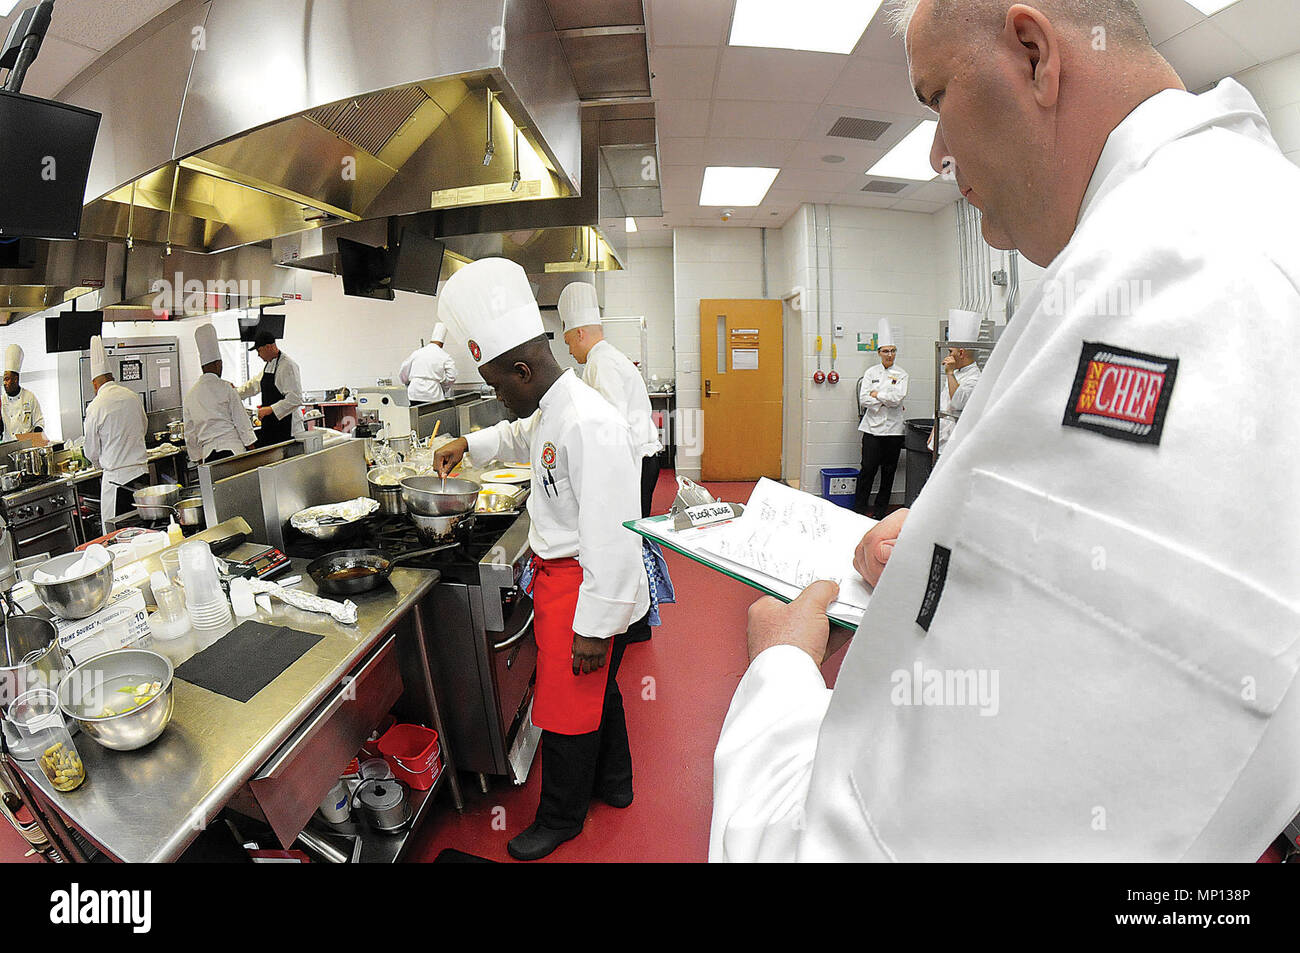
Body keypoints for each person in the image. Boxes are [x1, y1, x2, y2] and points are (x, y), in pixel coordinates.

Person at [710, 0, 1300, 862]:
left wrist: (780, 673)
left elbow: (875, 850)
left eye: (936, 95)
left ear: (1032, 54)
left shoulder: (1186, 276)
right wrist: (950, 545)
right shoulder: (1207, 220)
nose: (937, 151)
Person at [433, 258, 649, 862]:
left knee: (565, 707)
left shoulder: (590, 422)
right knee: (597, 692)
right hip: (563, 581)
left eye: (500, 385)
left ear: (524, 368)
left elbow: (616, 536)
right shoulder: (555, 405)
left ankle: (561, 817)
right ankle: (616, 782)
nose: (498, 397)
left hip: (586, 585)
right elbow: (522, 435)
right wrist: (469, 442)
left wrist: (595, 628)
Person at [559, 281, 664, 520]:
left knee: (630, 533)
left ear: (580, 334)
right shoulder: (604, 357)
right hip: (637, 459)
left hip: (635, 462)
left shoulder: (601, 363)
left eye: (568, 343)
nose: (569, 351)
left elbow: (611, 424)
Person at [83, 336, 150, 533]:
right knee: (145, 530)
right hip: (141, 476)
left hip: (117, 482)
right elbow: (143, 428)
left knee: (117, 536)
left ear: (95, 384)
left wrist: (98, 464)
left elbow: (91, 451)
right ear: (111, 377)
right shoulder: (132, 396)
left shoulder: (96, 406)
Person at [854, 320, 908, 519]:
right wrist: (884, 399)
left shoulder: (902, 374)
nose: (890, 355)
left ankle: (879, 512)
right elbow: (864, 399)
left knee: (888, 472)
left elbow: (897, 399)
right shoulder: (871, 373)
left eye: (893, 351)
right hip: (871, 430)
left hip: (893, 431)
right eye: (886, 351)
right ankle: (858, 509)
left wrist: (878, 395)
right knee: (867, 470)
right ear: (879, 352)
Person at [183, 323, 256, 464]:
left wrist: (198, 459)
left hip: (209, 457)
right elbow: (242, 422)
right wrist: (252, 451)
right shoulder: (226, 388)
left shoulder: (190, 396)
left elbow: (190, 435)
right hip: (234, 452)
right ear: (219, 364)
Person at [928, 309, 982, 455]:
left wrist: (950, 373)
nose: (949, 355)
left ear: (962, 353)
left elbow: (958, 403)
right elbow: (944, 403)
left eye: (951, 351)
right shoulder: (957, 372)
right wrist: (934, 429)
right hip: (942, 437)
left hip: (956, 441)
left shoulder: (975, 378)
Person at [238, 330, 303, 447]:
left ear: (268, 347)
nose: (258, 355)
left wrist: (270, 409)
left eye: (259, 350)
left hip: (288, 428)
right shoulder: (270, 364)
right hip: (273, 427)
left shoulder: (287, 366)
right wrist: (234, 393)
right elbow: (254, 385)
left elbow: (296, 399)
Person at [398, 322, 458, 403]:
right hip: (433, 394)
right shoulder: (444, 356)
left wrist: (407, 382)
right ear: (442, 344)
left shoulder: (417, 352)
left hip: (414, 392)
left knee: (415, 414)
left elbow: (404, 369)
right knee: (432, 415)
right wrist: (443, 386)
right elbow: (452, 376)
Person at [1, 345, 45, 440]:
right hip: (8, 445)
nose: (4, 383)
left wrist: (35, 438)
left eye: (7, 379)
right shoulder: (2, 400)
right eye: (4, 380)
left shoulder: (29, 397)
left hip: (27, 445)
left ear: (15, 379)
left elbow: (39, 422)